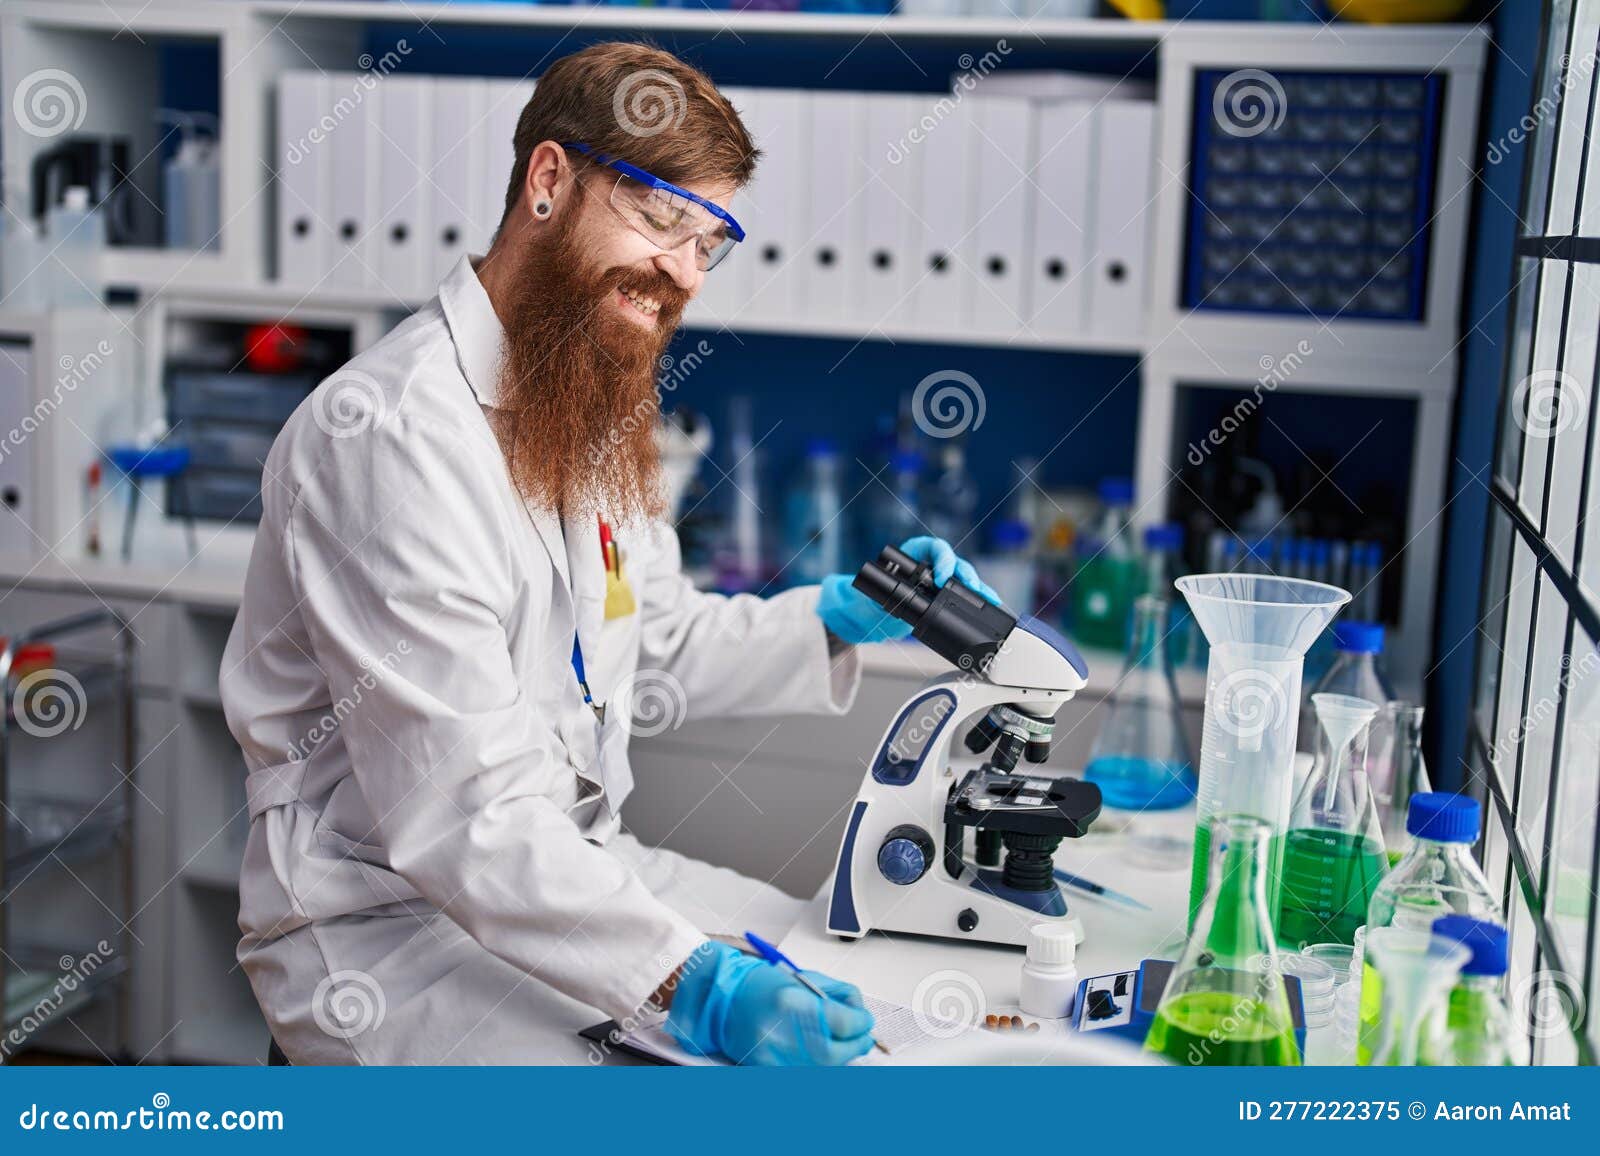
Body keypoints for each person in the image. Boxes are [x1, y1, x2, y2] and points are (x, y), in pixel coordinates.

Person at [221, 42, 997, 1065]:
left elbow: (650, 643)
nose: (680, 269)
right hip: (389, 938)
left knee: (857, 976)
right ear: (549, 181)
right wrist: (699, 987)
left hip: (564, 878)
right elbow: (464, 810)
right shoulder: (390, 432)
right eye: (659, 217)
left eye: (708, 240)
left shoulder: (579, 400)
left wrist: (837, 612)